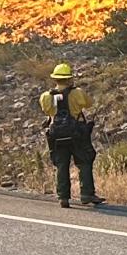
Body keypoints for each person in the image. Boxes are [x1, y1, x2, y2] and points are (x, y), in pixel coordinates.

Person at [39, 63, 100, 208]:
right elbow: (89, 103)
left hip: (56, 135)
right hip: (77, 133)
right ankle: (87, 194)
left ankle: (63, 197)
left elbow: (46, 110)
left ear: (55, 79)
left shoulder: (46, 96)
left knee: (61, 164)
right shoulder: (77, 93)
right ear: (69, 79)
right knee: (84, 162)